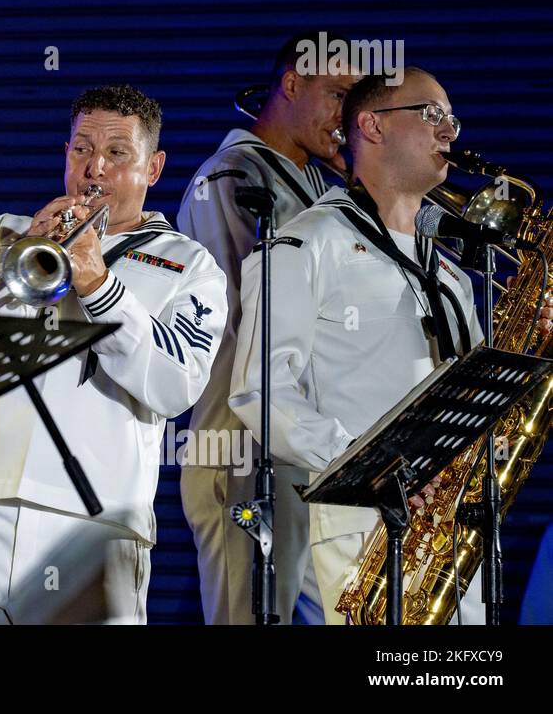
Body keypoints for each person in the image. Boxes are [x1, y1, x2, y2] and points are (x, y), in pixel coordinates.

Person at [230, 67, 550, 623]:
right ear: (372, 126)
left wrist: (535, 343)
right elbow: (260, 390)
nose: (449, 130)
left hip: (453, 538)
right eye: (431, 115)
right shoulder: (306, 242)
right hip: (361, 535)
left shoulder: (450, 275)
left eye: (452, 118)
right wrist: (367, 466)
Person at [0, 85, 227, 624]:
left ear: (154, 167)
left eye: (117, 153)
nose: (94, 168)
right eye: (81, 149)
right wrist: (17, 262)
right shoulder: (5, 236)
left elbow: (175, 387)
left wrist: (99, 285)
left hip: (95, 522)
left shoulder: (189, 265)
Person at [177, 32, 357, 624]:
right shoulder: (233, 176)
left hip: (294, 453)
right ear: (291, 84)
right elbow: (237, 322)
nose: (345, 117)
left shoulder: (317, 187)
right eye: (336, 95)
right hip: (241, 452)